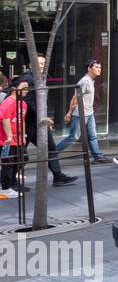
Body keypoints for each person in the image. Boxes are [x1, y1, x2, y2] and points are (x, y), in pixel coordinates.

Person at [14, 56, 76, 187]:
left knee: (51, 148)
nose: (41, 66)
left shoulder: (36, 78)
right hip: (28, 123)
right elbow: (28, 102)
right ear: (31, 65)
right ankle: (10, 181)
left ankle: (57, 175)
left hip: (37, 122)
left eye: (43, 63)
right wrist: (43, 117)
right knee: (21, 152)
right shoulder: (28, 79)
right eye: (38, 63)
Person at [53, 60, 108, 164]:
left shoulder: (91, 80)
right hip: (80, 114)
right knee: (73, 137)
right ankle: (53, 153)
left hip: (89, 113)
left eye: (100, 67)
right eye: (96, 67)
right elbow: (75, 97)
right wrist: (69, 112)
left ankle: (98, 156)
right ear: (89, 69)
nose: (99, 69)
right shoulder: (84, 81)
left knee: (92, 136)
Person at [0, 78, 33, 197]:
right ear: (14, 89)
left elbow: (22, 120)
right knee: (8, 163)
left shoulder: (23, 103)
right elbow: (5, 120)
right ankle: (6, 187)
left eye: (27, 88)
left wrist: (23, 135)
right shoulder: (8, 102)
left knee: (22, 158)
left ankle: (13, 183)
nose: (26, 91)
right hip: (7, 140)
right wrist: (9, 136)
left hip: (18, 138)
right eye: (23, 88)